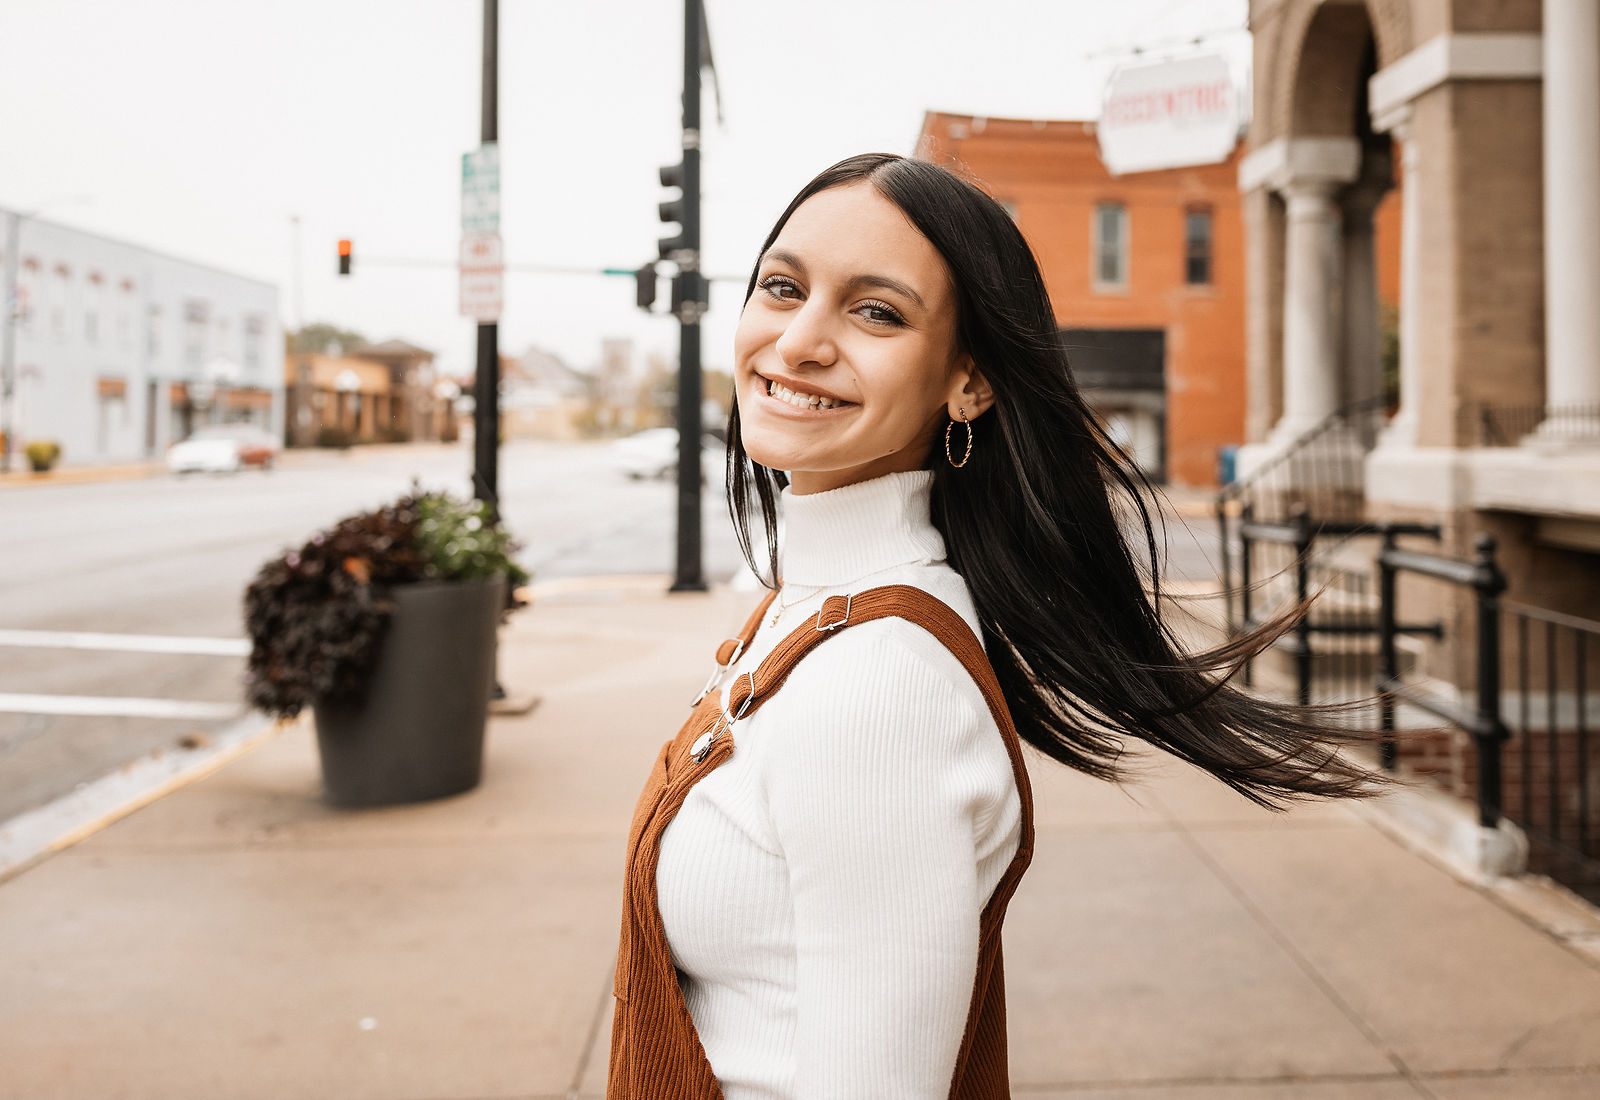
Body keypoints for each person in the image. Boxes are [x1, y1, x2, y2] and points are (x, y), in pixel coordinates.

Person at [607, 153, 1401, 1099]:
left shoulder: (877, 685)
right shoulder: (814, 606)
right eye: (783, 287)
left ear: (970, 382)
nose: (801, 341)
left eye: (877, 312)